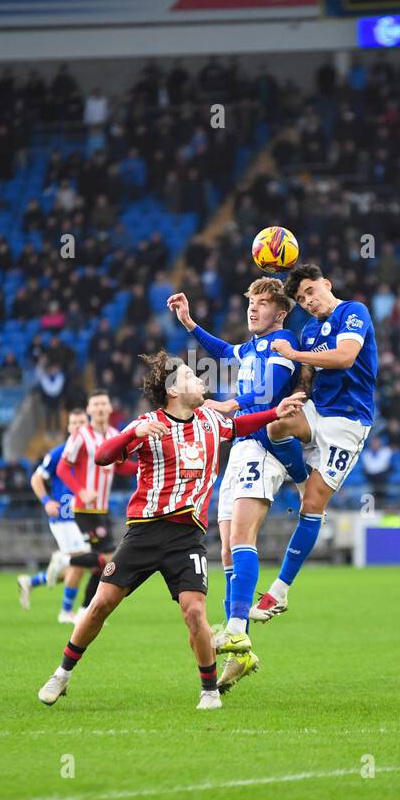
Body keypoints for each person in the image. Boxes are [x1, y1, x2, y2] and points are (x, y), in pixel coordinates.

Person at [36, 351, 303, 711]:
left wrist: (277, 411)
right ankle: (62, 674)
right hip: (144, 532)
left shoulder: (211, 419)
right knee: (99, 605)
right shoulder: (147, 423)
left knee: (195, 613)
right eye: (193, 377)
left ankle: (208, 691)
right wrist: (135, 432)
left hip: (186, 538)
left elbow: (240, 425)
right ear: (174, 389)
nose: (201, 381)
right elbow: (102, 456)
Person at [166, 279, 307, 692]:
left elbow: (268, 396)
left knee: (242, 537)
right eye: (251, 302)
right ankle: (242, 655)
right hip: (241, 447)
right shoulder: (252, 347)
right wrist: (191, 325)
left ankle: (237, 627)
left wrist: (229, 404)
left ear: (280, 313)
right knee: (226, 546)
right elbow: (227, 352)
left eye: (262, 304)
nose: (253, 310)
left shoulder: (282, 344)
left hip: (261, 448)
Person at [254, 262, 378, 621]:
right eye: (301, 298)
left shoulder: (352, 311)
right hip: (318, 411)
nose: (307, 301)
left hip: (349, 421)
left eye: (311, 291)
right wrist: (296, 393)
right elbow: (306, 381)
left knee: (312, 507)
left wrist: (292, 355)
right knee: (276, 425)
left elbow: (345, 357)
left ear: (327, 283)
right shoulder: (308, 330)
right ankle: (301, 476)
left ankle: (279, 591)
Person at [50, 390, 138, 620]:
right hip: (85, 510)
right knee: (109, 559)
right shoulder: (80, 435)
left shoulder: (113, 435)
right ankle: (64, 560)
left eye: (103, 404)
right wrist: (80, 490)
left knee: (102, 566)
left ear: (110, 409)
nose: (99, 408)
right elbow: (61, 468)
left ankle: (82, 611)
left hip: (102, 509)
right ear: (89, 410)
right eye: (95, 404)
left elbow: (119, 466)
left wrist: (141, 467)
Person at [17, 407, 87, 619]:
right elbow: (36, 479)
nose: (77, 427)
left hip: (84, 516)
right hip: (64, 517)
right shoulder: (59, 453)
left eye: (81, 423)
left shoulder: (91, 451)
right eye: (74, 423)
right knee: (81, 562)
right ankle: (66, 612)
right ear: (68, 427)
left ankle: (31, 581)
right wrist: (47, 501)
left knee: (80, 564)